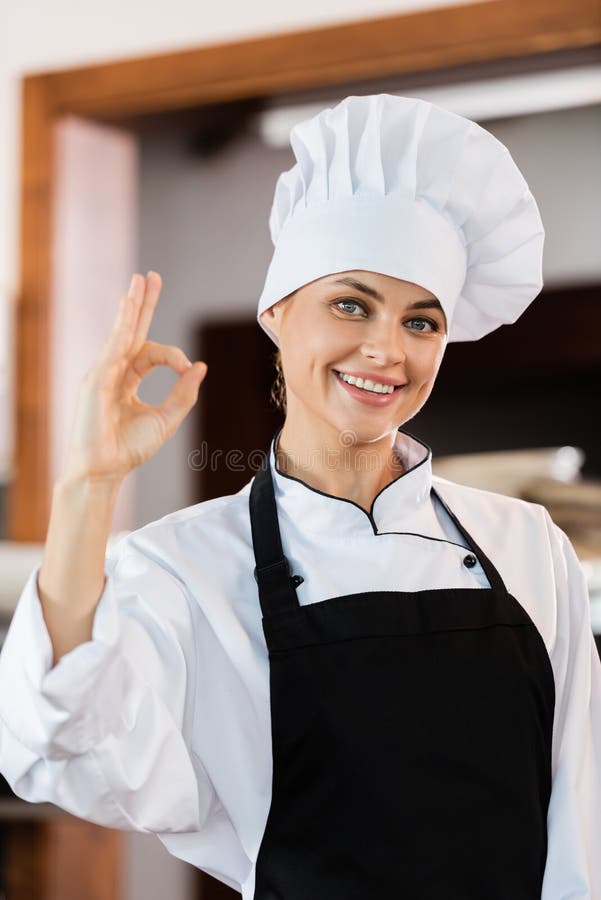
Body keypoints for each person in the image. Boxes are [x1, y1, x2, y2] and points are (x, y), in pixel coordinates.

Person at [0, 94, 599, 899]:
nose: (385, 349)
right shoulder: (181, 567)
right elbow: (59, 747)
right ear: (278, 313)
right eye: (350, 304)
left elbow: (582, 822)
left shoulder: (527, 545)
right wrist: (87, 487)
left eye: (422, 323)